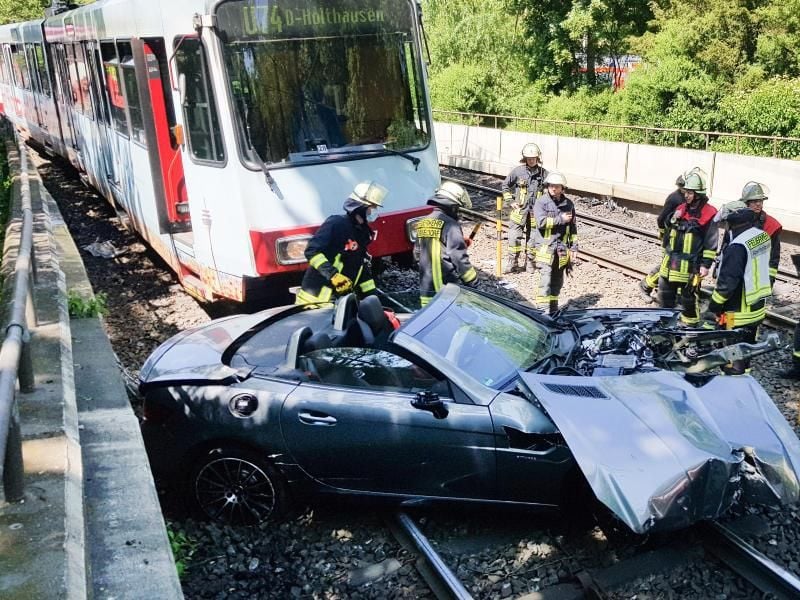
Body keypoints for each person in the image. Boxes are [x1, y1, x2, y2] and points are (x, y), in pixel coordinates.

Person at [701, 201, 772, 374]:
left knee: (732, 355)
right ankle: (744, 379)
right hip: (756, 307)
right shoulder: (761, 236)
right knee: (746, 351)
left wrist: (714, 307)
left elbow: (726, 285)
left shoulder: (737, 247)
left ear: (731, 223)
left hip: (736, 313)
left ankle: (732, 385)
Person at [295, 180, 387, 305]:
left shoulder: (362, 233)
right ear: (360, 208)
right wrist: (333, 275)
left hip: (339, 302)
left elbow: (360, 267)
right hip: (315, 302)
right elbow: (312, 251)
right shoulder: (336, 224)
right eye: (372, 207)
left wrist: (373, 299)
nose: (374, 211)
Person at [656, 170, 718, 326]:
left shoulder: (709, 213)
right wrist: (672, 219)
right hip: (669, 265)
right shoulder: (681, 208)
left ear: (698, 194)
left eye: (690, 192)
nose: (686, 195)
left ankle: (690, 330)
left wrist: (705, 265)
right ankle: (664, 328)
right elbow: (668, 229)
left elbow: (711, 242)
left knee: (688, 301)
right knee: (664, 297)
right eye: (686, 192)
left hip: (690, 269)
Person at [416, 181, 478, 307]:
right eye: (458, 208)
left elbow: (417, 254)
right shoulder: (451, 225)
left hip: (426, 290)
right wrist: (473, 282)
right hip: (446, 291)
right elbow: (459, 258)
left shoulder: (423, 222)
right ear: (452, 206)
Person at [638, 171, 692, 303]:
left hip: (683, 241)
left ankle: (675, 294)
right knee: (667, 267)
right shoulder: (675, 198)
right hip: (671, 239)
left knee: (678, 268)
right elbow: (661, 219)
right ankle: (645, 286)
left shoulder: (688, 199)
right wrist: (663, 234)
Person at [531, 171, 577, 316]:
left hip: (561, 249)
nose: (553, 188)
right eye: (551, 186)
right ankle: (543, 312)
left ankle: (553, 308)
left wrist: (574, 246)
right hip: (546, 248)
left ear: (562, 188)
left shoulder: (568, 204)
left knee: (557, 280)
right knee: (546, 279)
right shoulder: (541, 202)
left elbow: (573, 228)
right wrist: (560, 219)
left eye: (557, 186)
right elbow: (541, 222)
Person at [501, 143, 548, 273]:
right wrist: (510, 201)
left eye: (533, 158)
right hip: (519, 212)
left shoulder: (544, 174)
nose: (531, 160)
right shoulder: (518, 171)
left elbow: (551, 192)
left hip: (535, 214)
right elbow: (505, 186)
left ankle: (530, 264)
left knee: (533, 240)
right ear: (524, 158)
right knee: (514, 238)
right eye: (529, 158)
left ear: (538, 158)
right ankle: (512, 263)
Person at [740, 181, 782, 284]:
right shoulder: (737, 221)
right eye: (754, 201)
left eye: (760, 200)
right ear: (746, 203)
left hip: (757, 279)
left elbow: (774, 256)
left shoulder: (771, 225)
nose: (758, 204)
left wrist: (770, 279)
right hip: (738, 274)